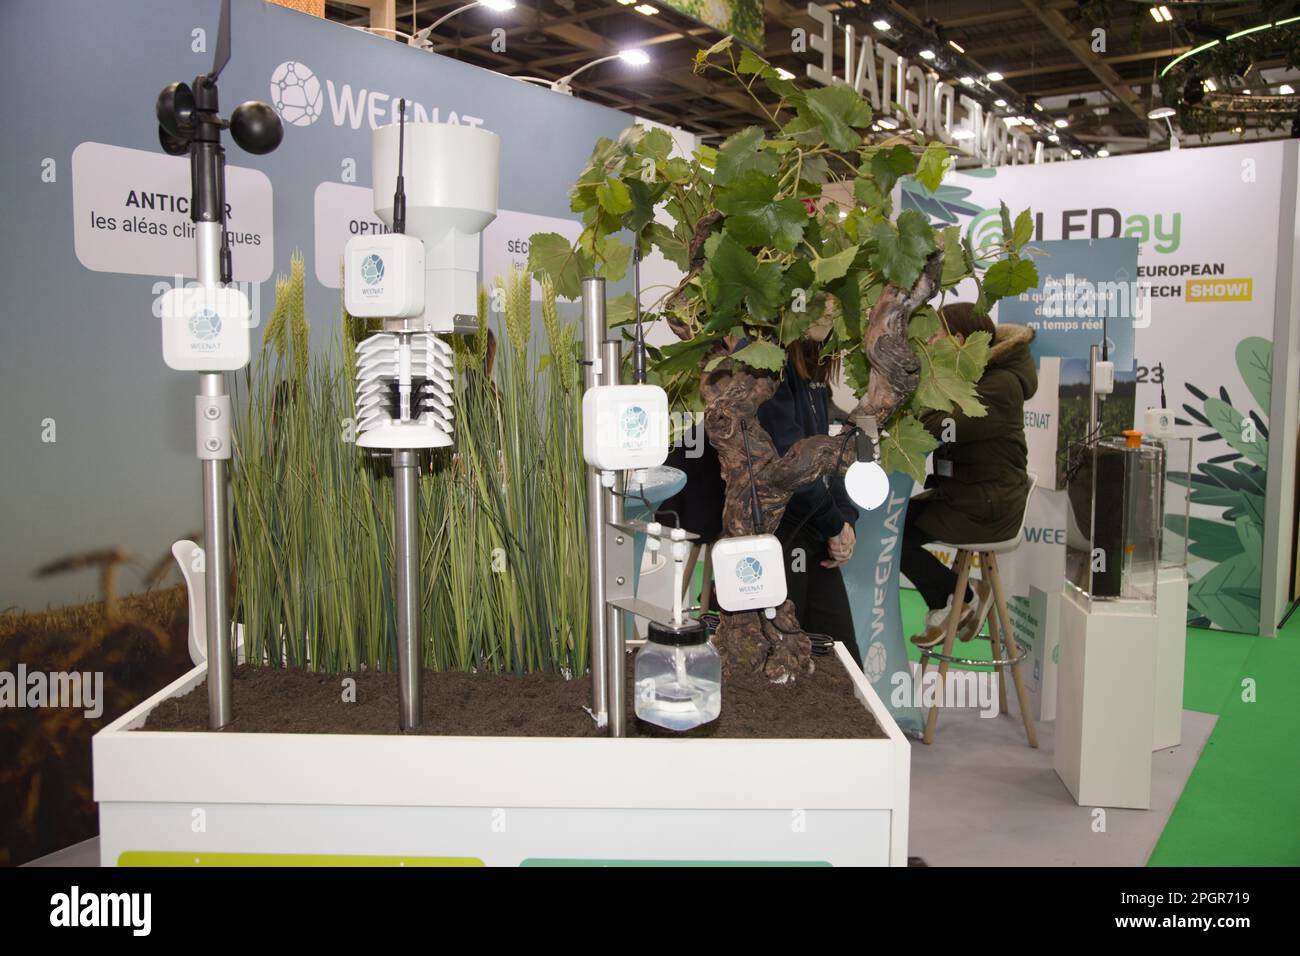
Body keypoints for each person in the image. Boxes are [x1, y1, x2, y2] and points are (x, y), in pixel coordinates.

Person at [902, 303, 1037, 648]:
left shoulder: (1001, 385)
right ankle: (956, 597)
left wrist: (925, 395)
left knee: (892, 535)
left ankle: (955, 598)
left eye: (934, 336)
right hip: (966, 496)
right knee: (891, 527)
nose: (928, 344)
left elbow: (941, 428)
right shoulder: (975, 378)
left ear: (959, 341)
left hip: (985, 508)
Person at [757, 339, 862, 667]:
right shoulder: (769, 370)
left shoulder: (815, 378)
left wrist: (844, 521)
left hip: (815, 528)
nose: (831, 309)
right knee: (778, 663)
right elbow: (793, 468)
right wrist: (835, 524)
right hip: (779, 533)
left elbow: (831, 459)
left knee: (841, 661)